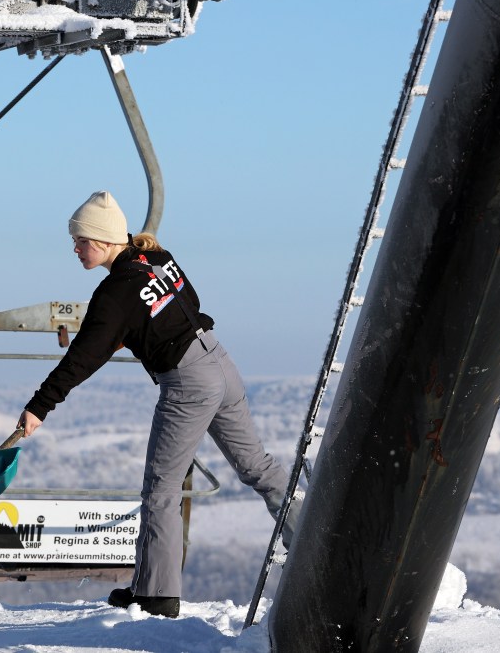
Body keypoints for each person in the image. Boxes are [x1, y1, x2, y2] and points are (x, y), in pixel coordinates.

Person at [16, 190, 299, 619]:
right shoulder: (159, 259)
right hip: (220, 361)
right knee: (255, 464)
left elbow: (83, 358)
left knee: (161, 489)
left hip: (188, 381)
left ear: (106, 240)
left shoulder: (115, 295)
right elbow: (194, 302)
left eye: (81, 240)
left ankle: (158, 595)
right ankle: (311, 536)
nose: (75, 249)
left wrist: (40, 406)